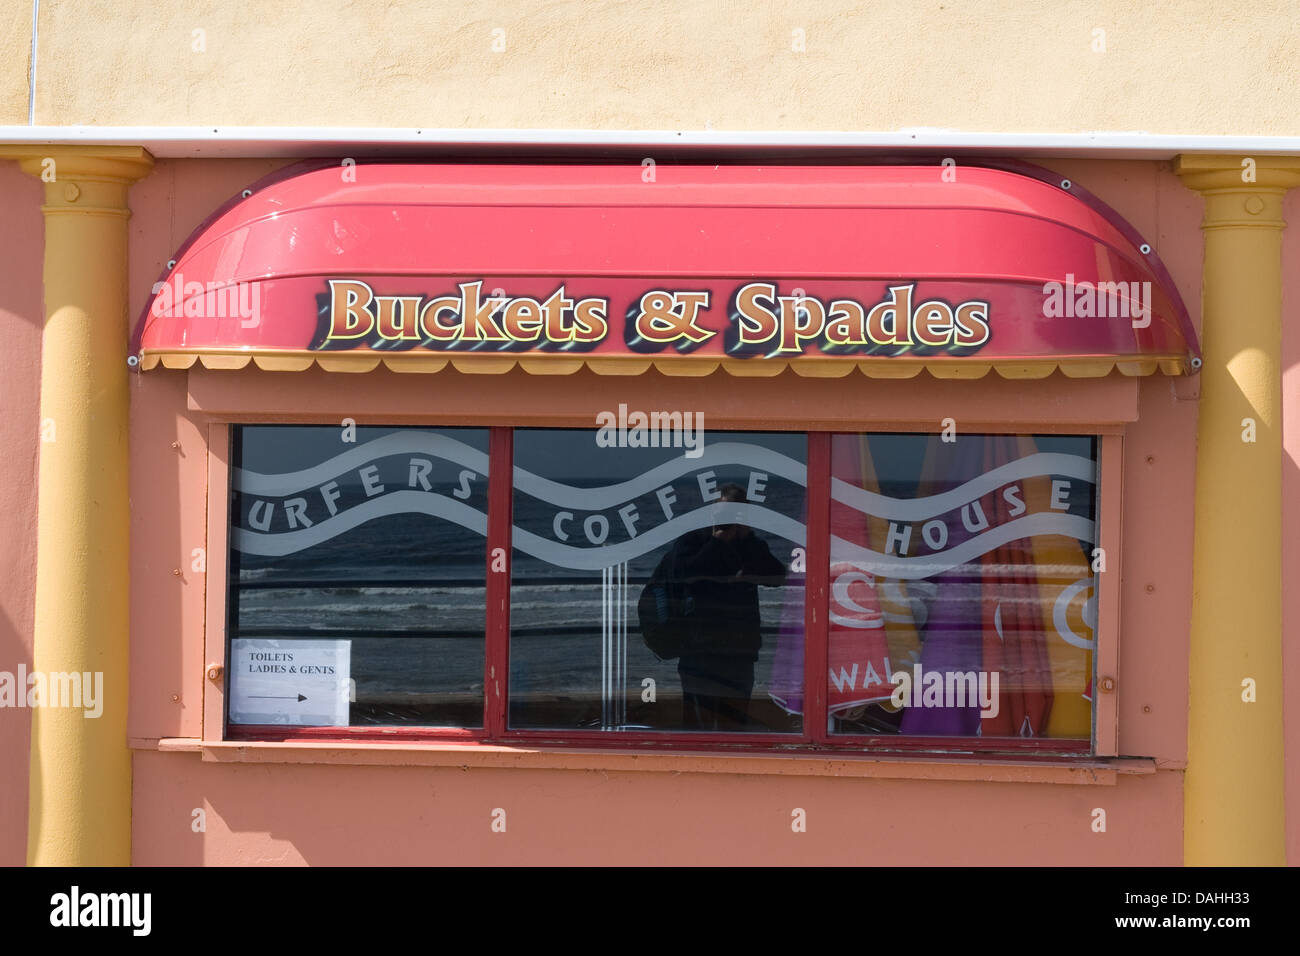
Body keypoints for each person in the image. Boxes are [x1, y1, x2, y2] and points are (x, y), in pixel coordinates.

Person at [671, 483, 787, 731]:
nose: (726, 520)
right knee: (696, 724)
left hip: (738, 650)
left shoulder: (750, 545)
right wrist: (716, 543)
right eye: (723, 513)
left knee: (734, 725)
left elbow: (777, 577)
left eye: (734, 514)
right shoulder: (693, 541)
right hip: (698, 649)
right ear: (712, 512)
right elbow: (682, 575)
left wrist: (746, 538)